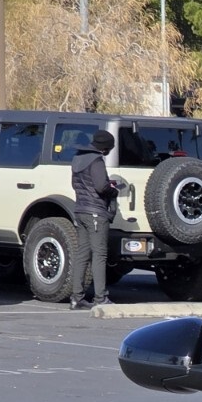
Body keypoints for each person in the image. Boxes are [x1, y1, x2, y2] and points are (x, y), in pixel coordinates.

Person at [69, 130, 126, 309]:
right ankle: (101, 298)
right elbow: (101, 187)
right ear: (105, 148)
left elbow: (76, 184)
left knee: (82, 254)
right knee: (99, 255)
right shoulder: (96, 161)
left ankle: (76, 298)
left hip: (80, 210)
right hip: (95, 212)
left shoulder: (78, 158)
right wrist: (114, 189)